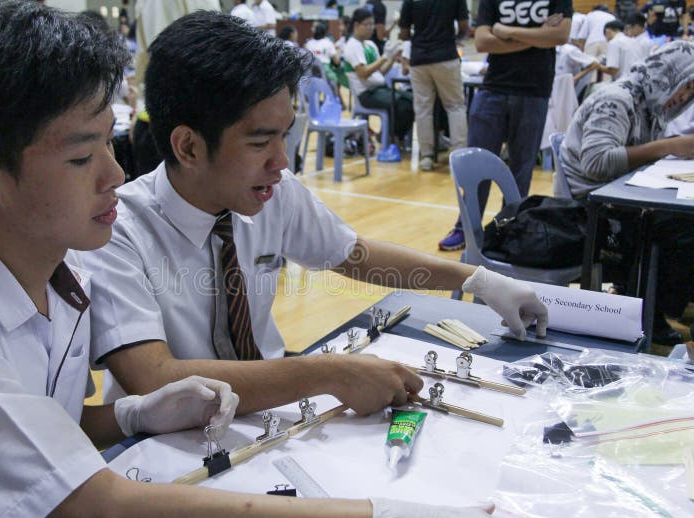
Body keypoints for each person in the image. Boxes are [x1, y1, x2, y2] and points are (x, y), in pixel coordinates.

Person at [0, 2, 526, 518]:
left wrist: (130, 416)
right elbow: (100, 510)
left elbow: (36, 429)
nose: (115, 173)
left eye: (111, 143)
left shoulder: (61, 275)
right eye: (84, 157)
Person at [80, 10, 548, 422]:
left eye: (285, 135)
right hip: (168, 443)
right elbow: (152, 377)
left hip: (271, 411)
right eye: (260, 142)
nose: (281, 160)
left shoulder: (271, 192)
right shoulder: (118, 231)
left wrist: (476, 279)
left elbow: (355, 254)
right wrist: (326, 373)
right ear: (188, 146)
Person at [560, 41, 694, 345]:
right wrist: (670, 146)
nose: (684, 96)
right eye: (685, 86)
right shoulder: (616, 99)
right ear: (667, 75)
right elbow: (596, 162)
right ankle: (650, 310)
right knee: (683, 230)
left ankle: (652, 300)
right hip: (591, 209)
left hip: (620, 200)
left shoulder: (651, 107)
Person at [438, 0, 573, 251]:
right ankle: (465, 228)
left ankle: (507, 229)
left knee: (521, 169)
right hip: (493, 88)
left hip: (534, 91)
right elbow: (482, 42)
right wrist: (538, 36)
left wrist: (507, 31)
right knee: (476, 165)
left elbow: (560, 35)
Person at [400, 0, 469, 172]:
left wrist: (421, 37)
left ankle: (426, 157)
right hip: (446, 55)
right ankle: (460, 155)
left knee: (423, 109)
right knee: (455, 106)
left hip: (419, 58)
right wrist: (453, 39)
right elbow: (464, 27)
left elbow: (404, 32)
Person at [344, 8, 414, 146]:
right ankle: (390, 136)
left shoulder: (370, 45)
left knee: (413, 99)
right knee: (404, 105)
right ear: (356, 25)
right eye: (367, 24)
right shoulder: (352, 46)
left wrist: (392, 57)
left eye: (372, 24)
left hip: (380, 90)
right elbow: (363, 73)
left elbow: (381, 72)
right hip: (366, 94)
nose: (371, 28)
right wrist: (384, 57)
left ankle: (390, 135)